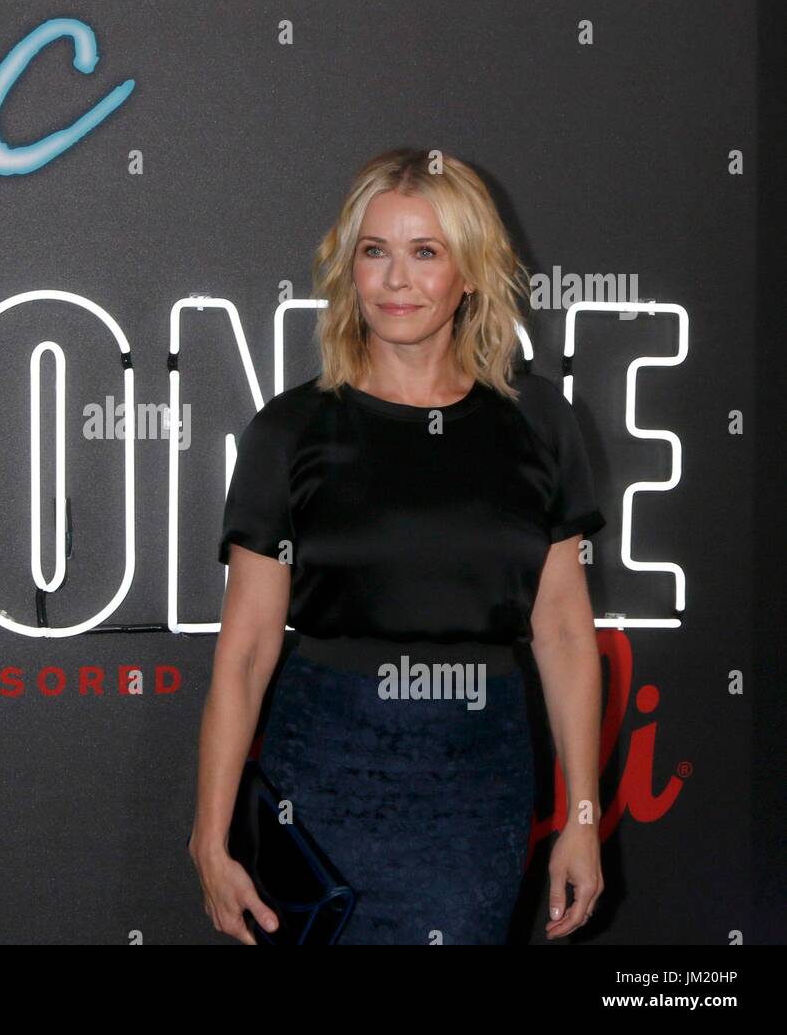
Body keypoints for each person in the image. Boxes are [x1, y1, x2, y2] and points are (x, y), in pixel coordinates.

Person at [188, 148, 607, 945]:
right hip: (320, 773)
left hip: (475, 781)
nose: (395, 279)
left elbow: (562, 633)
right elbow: (242, 654)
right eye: (374, 252)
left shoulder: (539, 424)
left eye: (425, 253)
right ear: (349, 270)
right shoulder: (291, 430)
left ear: (472, 272)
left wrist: (581, 815)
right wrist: (209, 840)